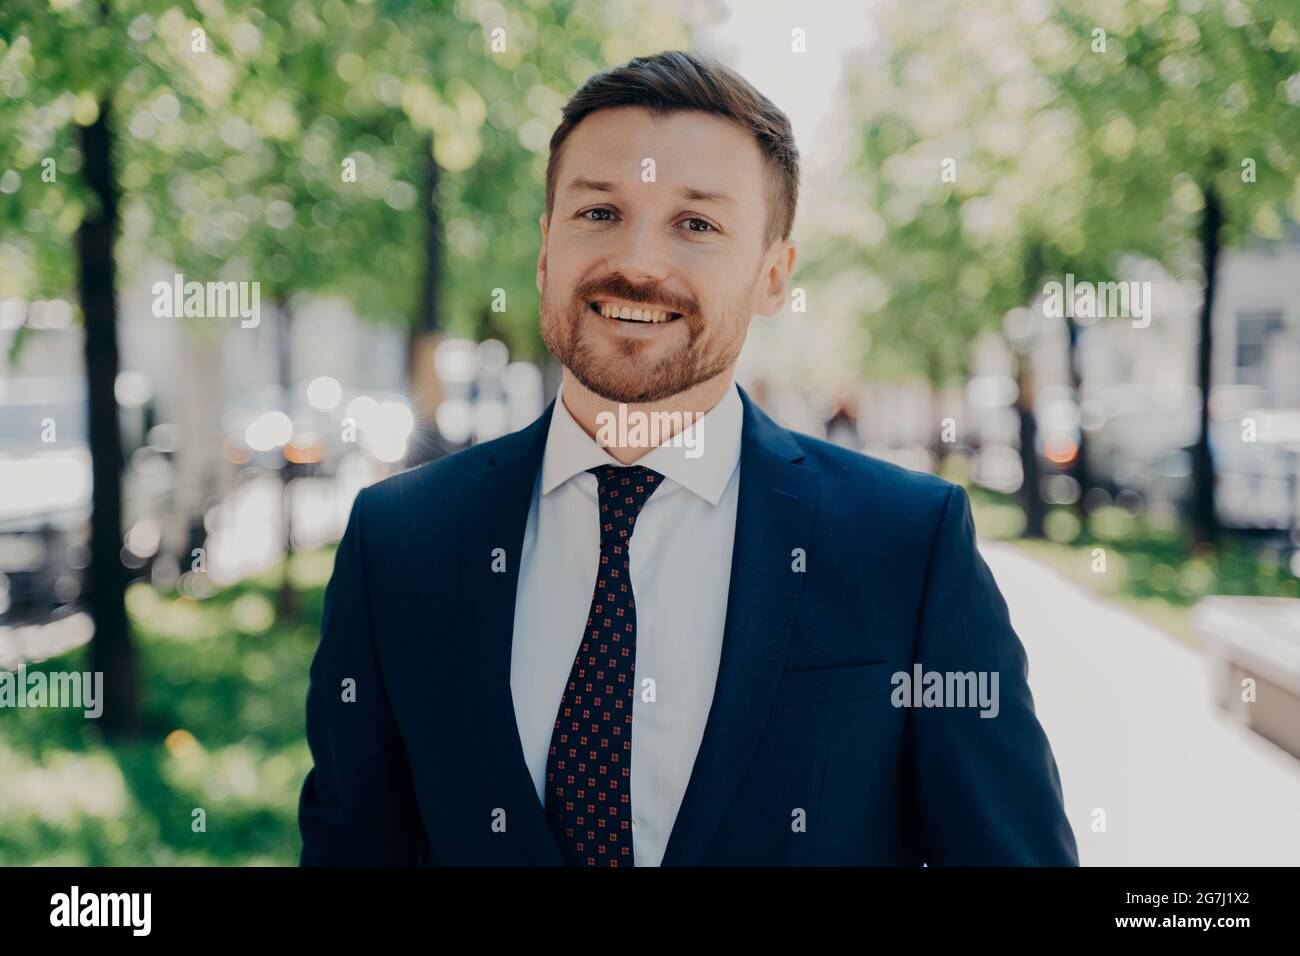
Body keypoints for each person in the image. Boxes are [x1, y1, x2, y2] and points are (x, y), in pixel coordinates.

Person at [299, 49, 1078, 867]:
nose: (638, 262)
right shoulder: (398, 543)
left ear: (773, 275)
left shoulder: (908, 547)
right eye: (599, 212)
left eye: (696, 223)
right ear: (544, 250)